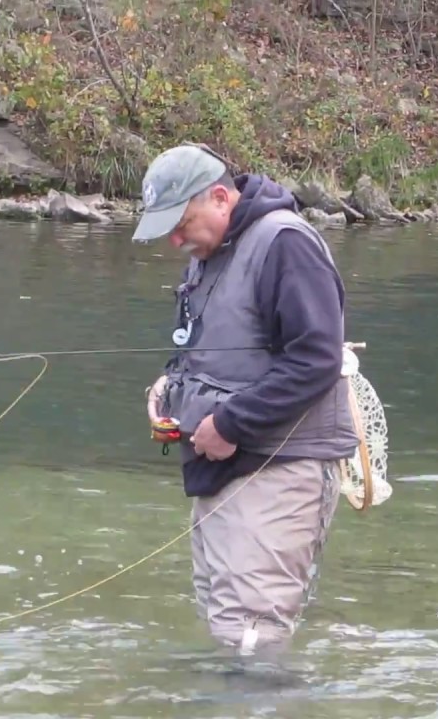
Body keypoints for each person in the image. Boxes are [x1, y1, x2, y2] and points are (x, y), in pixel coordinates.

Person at [134, 144, 359, 662]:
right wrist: (171, 387)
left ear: (219, 197)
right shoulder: (211, 252)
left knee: (250, 638)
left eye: (181, 224)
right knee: (227, 626)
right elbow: (223, 346)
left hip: (279, 468)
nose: (174, 241)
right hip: (223, 470)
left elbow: (316, 360)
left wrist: (231, 423)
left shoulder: (285, 244)